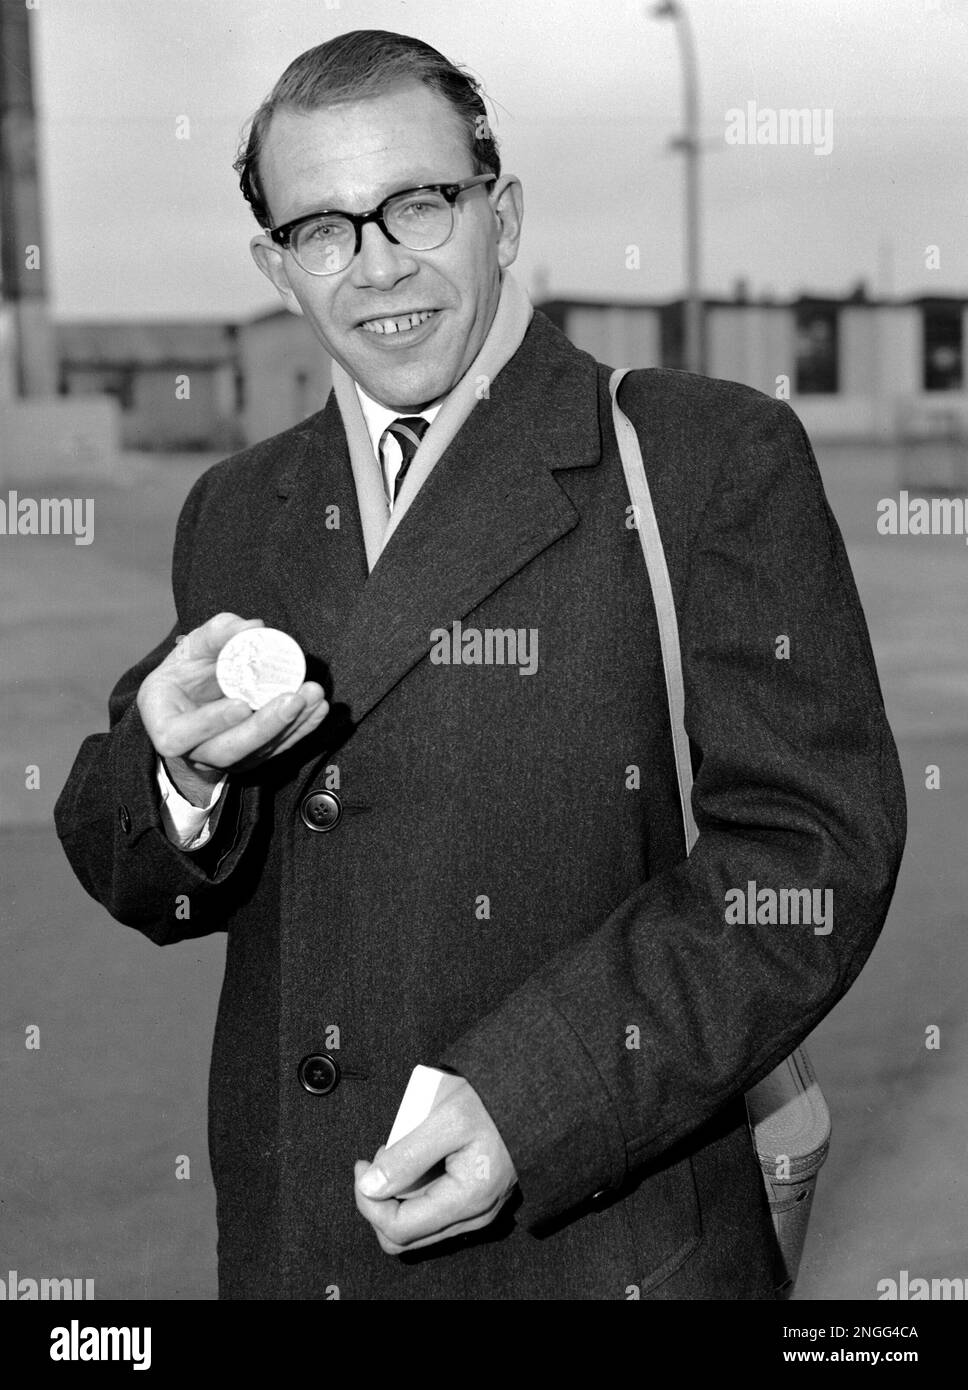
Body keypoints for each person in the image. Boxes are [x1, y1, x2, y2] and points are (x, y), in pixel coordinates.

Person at [55, 28, 906, 1301]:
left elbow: (805, 855)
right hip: (304, 1249)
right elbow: (152, 887)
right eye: (323, 228)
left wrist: (536, 1096)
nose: (377, 265)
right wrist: (177, 779)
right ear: (276, 268)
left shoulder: (696, 457)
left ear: (500, 217)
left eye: (418, 204)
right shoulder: (238, 508)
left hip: (599, 1240)